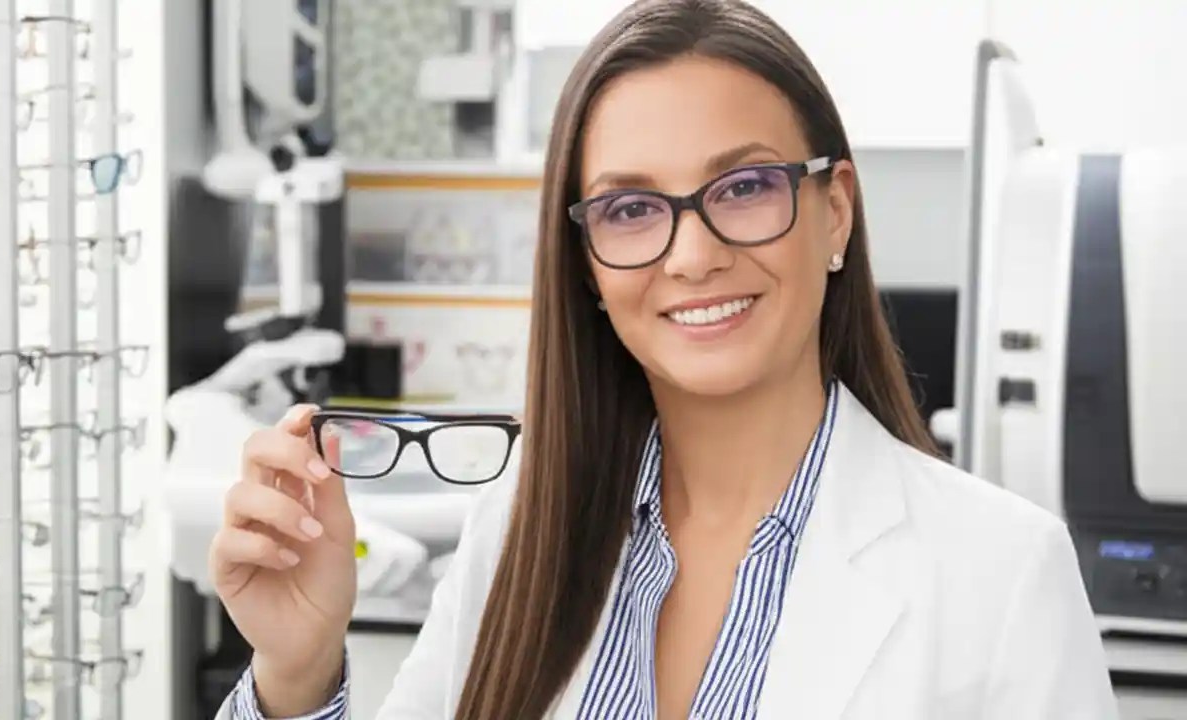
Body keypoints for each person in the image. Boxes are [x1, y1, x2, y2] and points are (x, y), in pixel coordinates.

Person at [211, 0, 1118, 717]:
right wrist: (295, 674)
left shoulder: (1002, 575)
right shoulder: (522, 531)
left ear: (834, 210)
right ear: (589, 267)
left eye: (746, 187)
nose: (692, 255)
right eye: (631, 209)